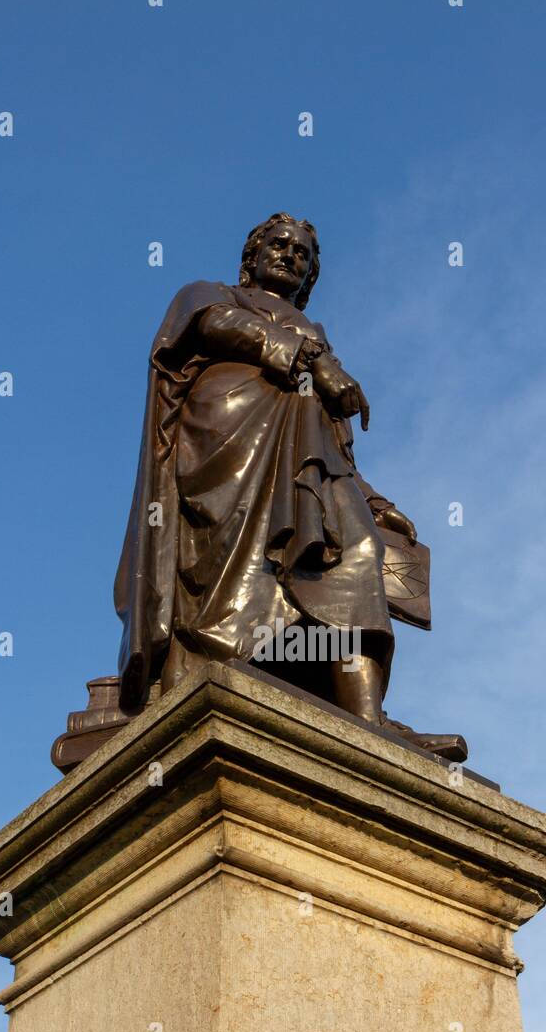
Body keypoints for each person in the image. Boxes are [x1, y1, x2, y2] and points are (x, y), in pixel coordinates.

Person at [114, 212, 419, 725]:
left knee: (358, 549)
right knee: (249, 568)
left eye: (302, 254)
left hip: (310, 468)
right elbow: (214, 325)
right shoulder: (210, 294)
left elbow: (334, 446)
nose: (290, 256)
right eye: (279, 245)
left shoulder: (317, 341)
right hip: (230, 445)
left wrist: (374, 502)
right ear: (251, 258)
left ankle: (368, 721)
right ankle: (229, 671)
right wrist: (310, 358)